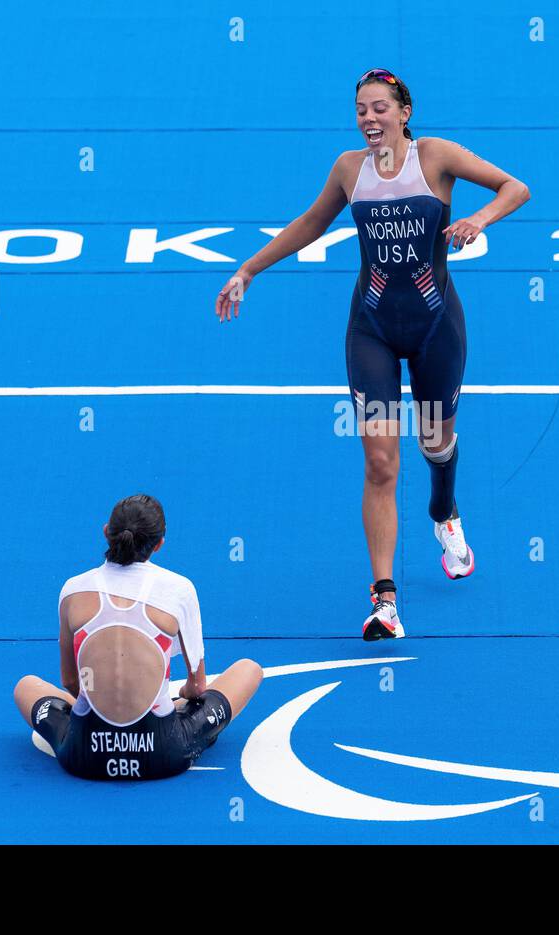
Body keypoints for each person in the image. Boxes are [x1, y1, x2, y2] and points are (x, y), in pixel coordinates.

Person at [213, 67, 531, 640]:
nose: (369, 118)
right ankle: (385, 601)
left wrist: (479, 219)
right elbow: (311, 223)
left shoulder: (436, 156)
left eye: (380, 107)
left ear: (404, 112)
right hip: (373, 332)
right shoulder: (348, 169)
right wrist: (248, 270)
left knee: (436, 442)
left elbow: (516, 187)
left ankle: (444, 513)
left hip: (436, 329)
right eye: (361, 109)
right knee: (381, 462)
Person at [13, 493, 263, 779]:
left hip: (83, 755)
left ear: (106, 532)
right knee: (249, 669)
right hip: (164, 754)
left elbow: (70, 681)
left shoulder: (73, 590)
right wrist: (181, 699)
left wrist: (105, 703)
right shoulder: (179, 589)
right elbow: (197, 687)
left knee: (26, 685)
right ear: (159, 544)